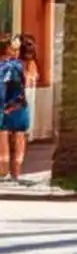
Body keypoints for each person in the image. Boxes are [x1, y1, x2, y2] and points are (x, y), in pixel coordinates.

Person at [0, 37, 30, 182]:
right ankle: (15, 175)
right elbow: (24, 85)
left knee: (4, 139)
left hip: (5, 107)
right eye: (14, 49)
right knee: (18, 139)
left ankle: (4, 173)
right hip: (18, 106)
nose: (16, 52)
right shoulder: (18, 66)